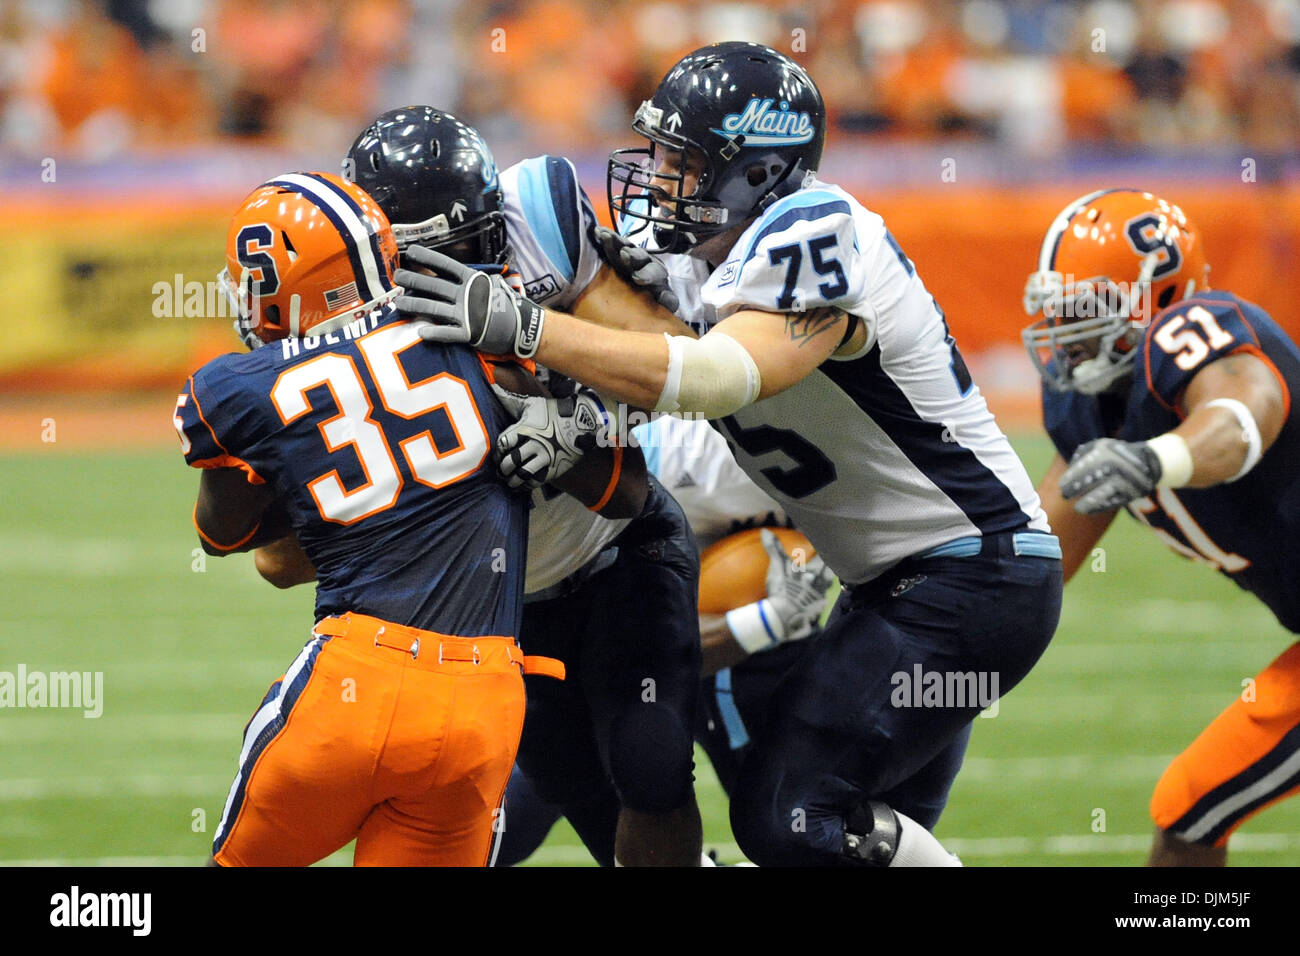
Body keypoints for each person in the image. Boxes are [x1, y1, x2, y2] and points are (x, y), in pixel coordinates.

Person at [398, 41, 1064, 867]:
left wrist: (530, 327)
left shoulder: (818, 231)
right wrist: (578, 414)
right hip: (900, 586)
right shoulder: (721, 262)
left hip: (971, 575)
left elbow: (719, 376)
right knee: (834, 831)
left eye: (682, 161)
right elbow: (663, 379)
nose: (659, 177)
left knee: (786, 814)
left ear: (754, 171)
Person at [259, 106, 708, 865]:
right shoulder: (340, 314)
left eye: (480, 229)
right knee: (587, 798)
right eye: (442, 250)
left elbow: (668, 363)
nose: (476, 256)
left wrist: (577, 419)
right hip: (492, 600)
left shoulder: (535, 218)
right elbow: (279, 560)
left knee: (653, 769)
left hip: (617, 547)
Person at [173, 170, 632, 866]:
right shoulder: (478, 328)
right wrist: (565, 428)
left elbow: (224, 533)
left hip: (355, 679)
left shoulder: (236, 388)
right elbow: (626, 493)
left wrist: (294, 464)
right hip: (485, 696)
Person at [1022, 188, 1300, 867]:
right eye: (1058, 303)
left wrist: (1156, 459)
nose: (1065, 324)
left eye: (1084, 308)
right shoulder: (1088, 406)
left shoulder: (1201, 328)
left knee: (1191, 806)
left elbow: (1241, 418)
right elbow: (1030, 567)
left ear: (1155, 296)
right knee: (1189, 812)